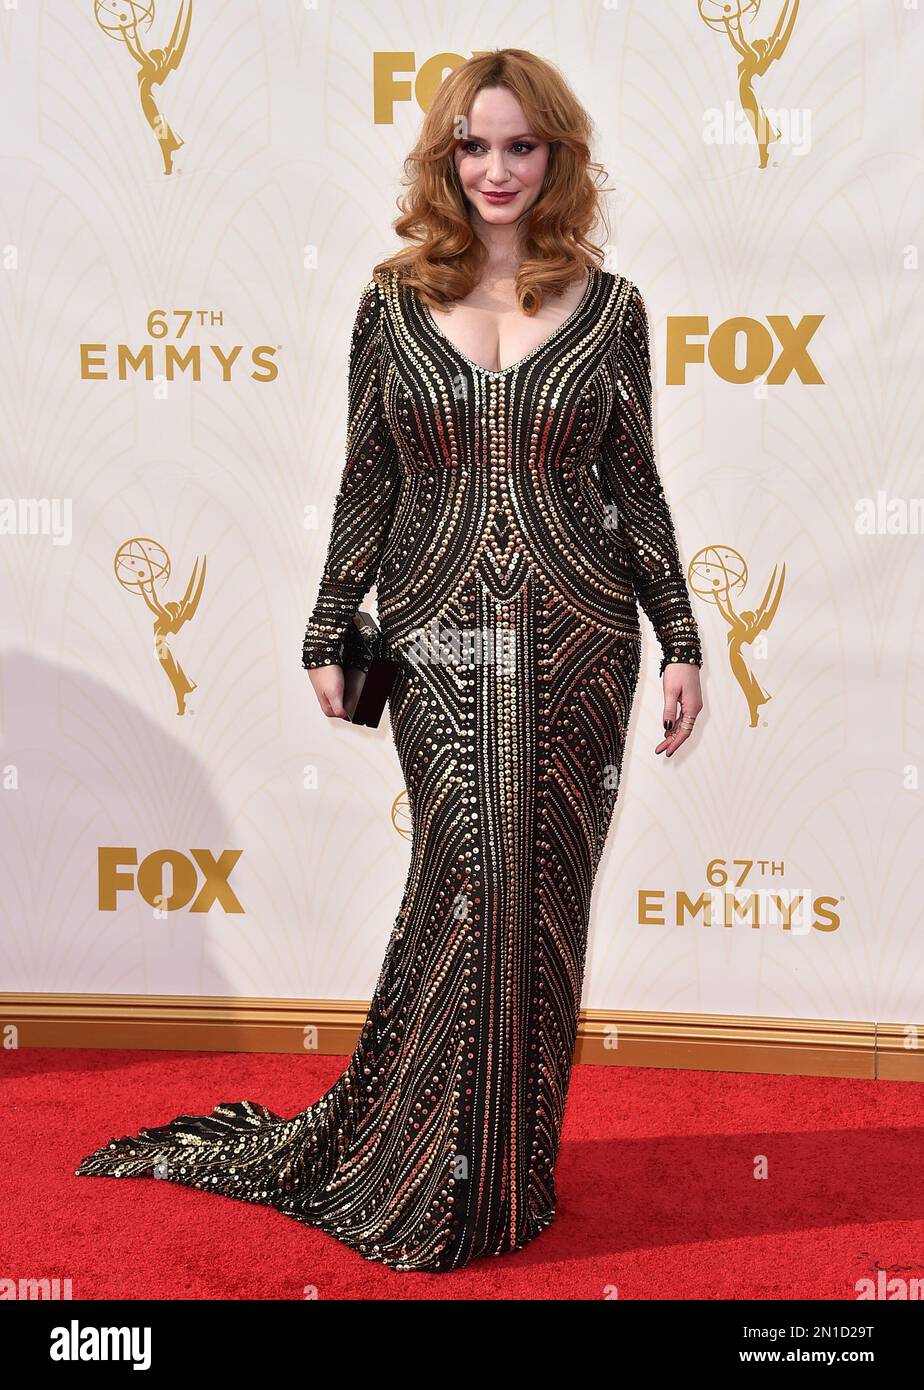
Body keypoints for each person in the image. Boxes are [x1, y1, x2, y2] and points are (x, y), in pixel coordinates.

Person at [75, 47, 704, 1274]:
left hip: (581, 636)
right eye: (474, 146)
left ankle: (510, 1180)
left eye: (522, 146)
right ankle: (414, 1168)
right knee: (465, 885)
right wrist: (328, 624)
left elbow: (635, 487)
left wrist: (680, 636)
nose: (497, 169)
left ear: (558, 156)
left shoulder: (614, 307)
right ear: (443, 158)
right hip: (432, 635)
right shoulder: (392, 296)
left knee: (541, 907)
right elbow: (370, 473)